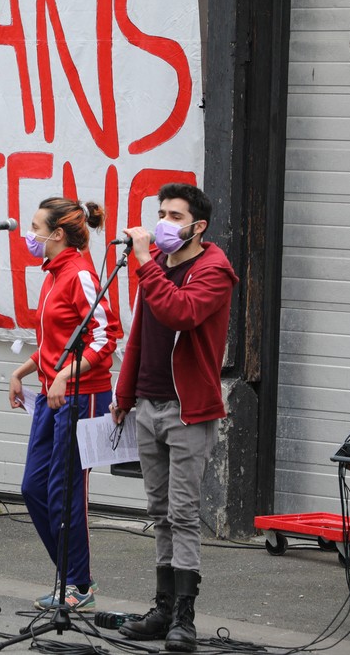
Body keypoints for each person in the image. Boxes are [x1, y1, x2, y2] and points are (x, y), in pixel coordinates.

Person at [111, 184, 237, 653]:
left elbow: (180, 313)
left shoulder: (213, 270)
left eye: (173, 215)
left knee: (183, 514)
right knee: (159, 513)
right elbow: (142, 334)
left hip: (188, 410)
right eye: (160, 213)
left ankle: (185, 616)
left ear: (197, 226)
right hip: (148, 403)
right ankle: (162, 608)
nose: (162, 222)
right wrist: (125, 394)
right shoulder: (158, 268)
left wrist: (145, 263)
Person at [7, 197, 122, 613]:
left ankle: (78, 583)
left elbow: (105, 336)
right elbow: (58, 342)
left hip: (83, 395)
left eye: (36, 227)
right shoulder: (53, 274)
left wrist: (64, 375)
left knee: (65, 491)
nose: (29, 235)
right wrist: (23, 371)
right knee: (34, 488)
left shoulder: (80, 274)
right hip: (53, 394)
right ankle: (72, 576)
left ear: (57, 234)